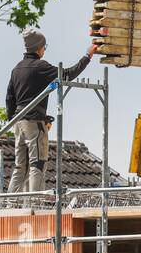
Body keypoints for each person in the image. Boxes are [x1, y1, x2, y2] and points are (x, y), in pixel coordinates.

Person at [5, 29, 97, 196]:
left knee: (20, 165)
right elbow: (68, 74)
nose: (45, 49)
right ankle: (36, 202)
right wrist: (87, 56)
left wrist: (13, 120)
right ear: (39, 48)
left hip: (18, 122)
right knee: (37, 163)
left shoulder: (17, 69)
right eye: (44, 46)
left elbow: (9, 99)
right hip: (34, 124)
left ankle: (9, 203)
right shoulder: (40, 67)